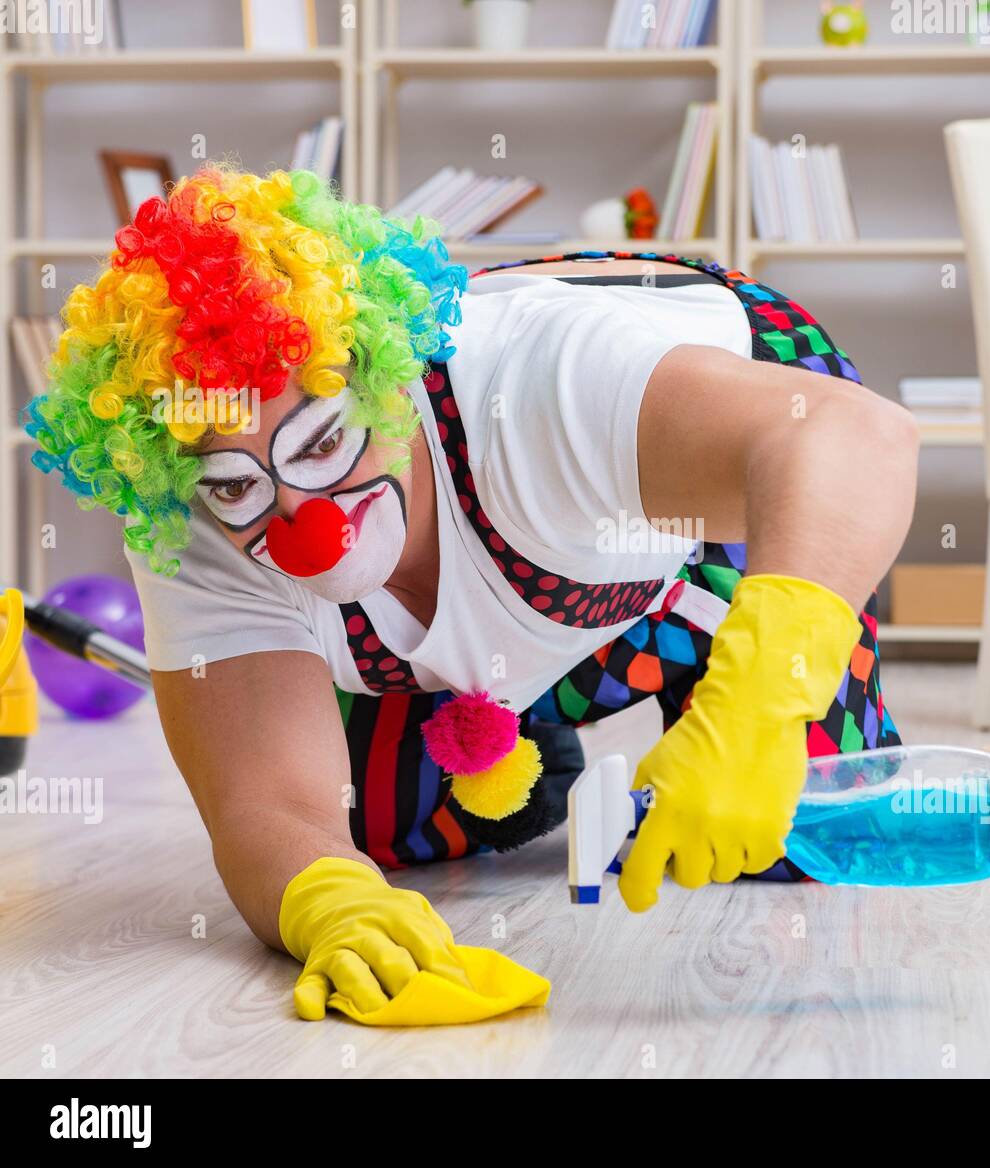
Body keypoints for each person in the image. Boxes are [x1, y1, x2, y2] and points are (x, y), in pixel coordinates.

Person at [27, 167, 918, 1026]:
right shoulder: (188, 511)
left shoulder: (539, 381)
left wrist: (759, 701)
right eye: (235, 485)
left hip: (725, 495)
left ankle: (714, 646)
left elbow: (862, 438)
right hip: (513, 621)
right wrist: (330, 905)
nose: (304, 524)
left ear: (385, 385)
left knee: (797, 836)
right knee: (369, 837)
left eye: (322, 441)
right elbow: (268, 809)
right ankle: (524, 726)